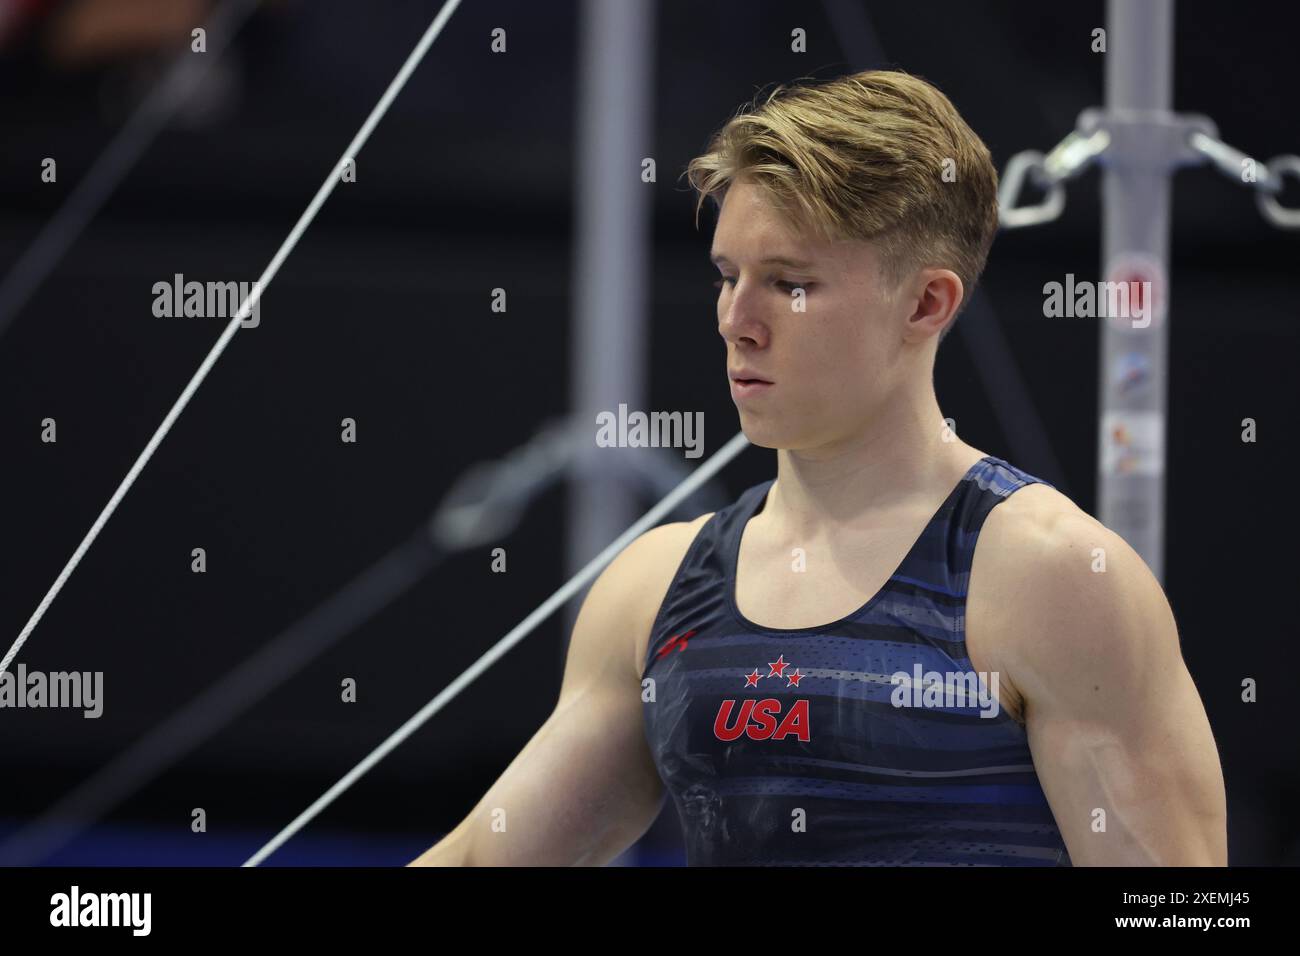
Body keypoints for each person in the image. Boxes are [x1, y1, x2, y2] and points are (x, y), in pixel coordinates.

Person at [409, 69, 1226, 867]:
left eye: (789, 285)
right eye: (728, 277)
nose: (738, 322)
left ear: (925, 304)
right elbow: (487, 857)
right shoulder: (658, 587)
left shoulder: (1046, 577)